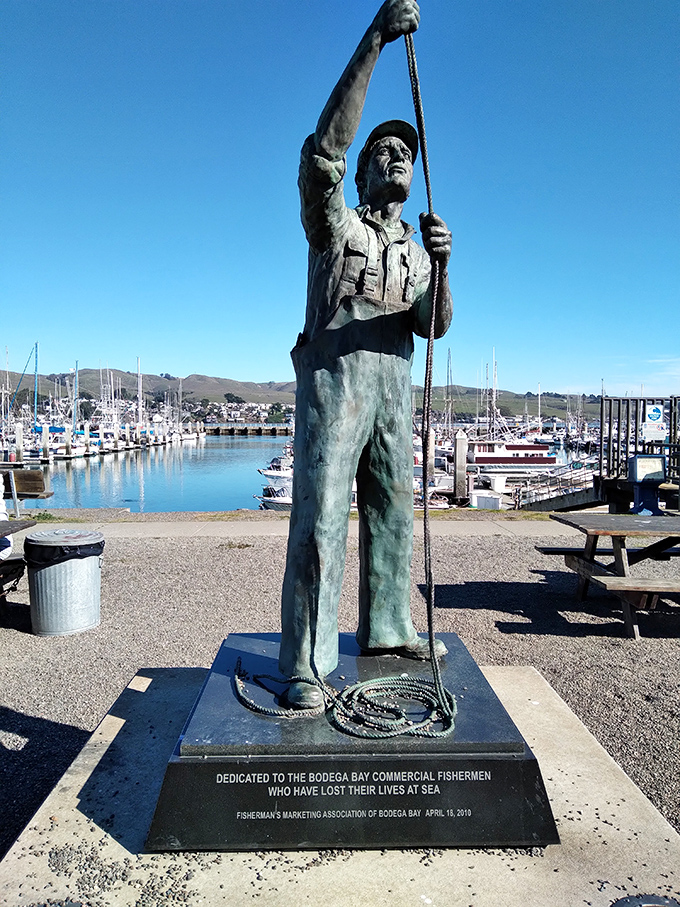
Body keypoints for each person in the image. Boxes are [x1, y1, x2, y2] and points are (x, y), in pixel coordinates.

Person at [279, 0, 453, 709]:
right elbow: (322, 152)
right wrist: (376, 38)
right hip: (335, 380)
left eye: (405, 152)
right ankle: (308, 661)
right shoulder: (336, 226)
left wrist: (445, 266)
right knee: (322, 516)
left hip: (392, 383)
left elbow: (433, 325)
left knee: (392, 507)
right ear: (362, 174)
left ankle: (386, 626)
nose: (396, 157)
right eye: (383, 151)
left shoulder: (414, 251)